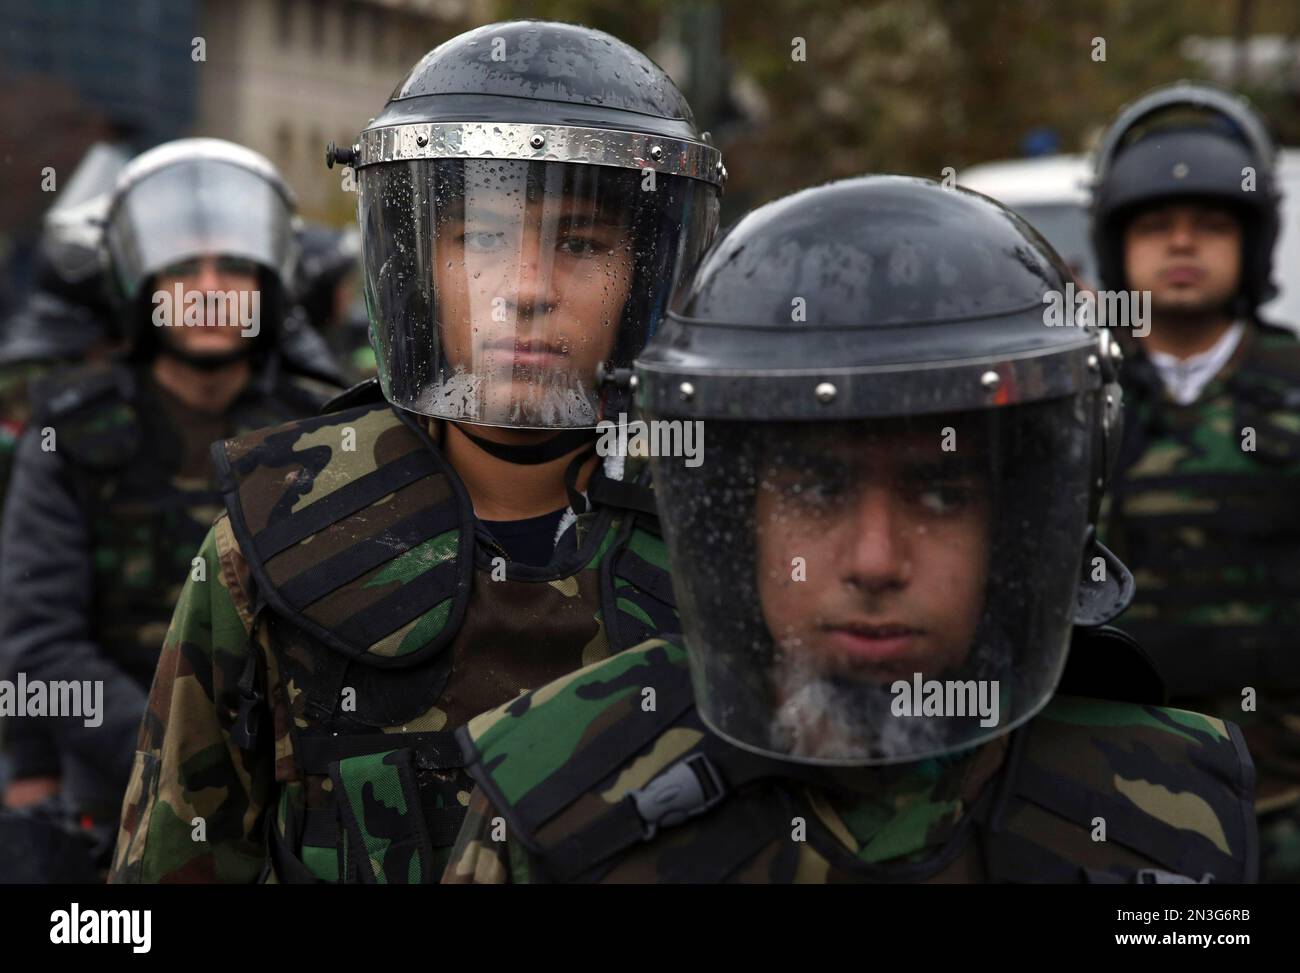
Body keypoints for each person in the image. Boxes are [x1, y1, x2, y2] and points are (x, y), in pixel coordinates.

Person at [443, 176, 1257, 884]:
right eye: (816, 492)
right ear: (738, 516)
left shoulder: (1172, 810)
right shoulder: (559, 789)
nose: (875, 560)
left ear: (1019, 524)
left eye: (940, 495)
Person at [109, 20, 723, 884]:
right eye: (482, 238)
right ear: (416, 262)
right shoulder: (279, 539)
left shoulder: (732, 538)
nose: (528, 289)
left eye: (582, 245)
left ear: (648, 267)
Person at [0, 138, 343, 881]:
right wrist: (180, 760)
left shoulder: (323, 433)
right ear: (142, 282)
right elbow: (40, 644)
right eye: (184, 268)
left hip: (301, 809)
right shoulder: (71, 431)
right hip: (115, 799)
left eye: (234, 268)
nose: (210, 289)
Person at [1091, 82, 1300, 881]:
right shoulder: (1069, 396)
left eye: (1211, 224)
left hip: (1282, 802)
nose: (1183, 243)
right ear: (1120, 246)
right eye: (1155, 225)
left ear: (1254, 239)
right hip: (1116, 805)